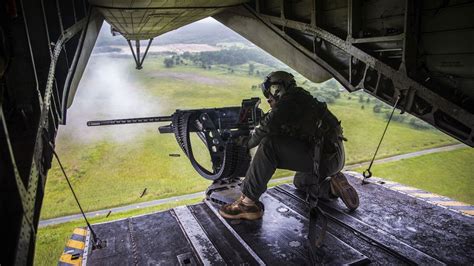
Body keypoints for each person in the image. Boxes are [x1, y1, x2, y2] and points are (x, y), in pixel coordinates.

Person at [219, 71, 359, 220]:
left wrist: (243, 142)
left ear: (279, 88)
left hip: (323, 158)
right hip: (334, 158)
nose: (269, 99)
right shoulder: (301, 98)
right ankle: (333, 187)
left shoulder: (288, 102)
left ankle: (247, 204)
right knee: (300, 182)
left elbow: (265, 130)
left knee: (269, 145)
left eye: (271, 92)